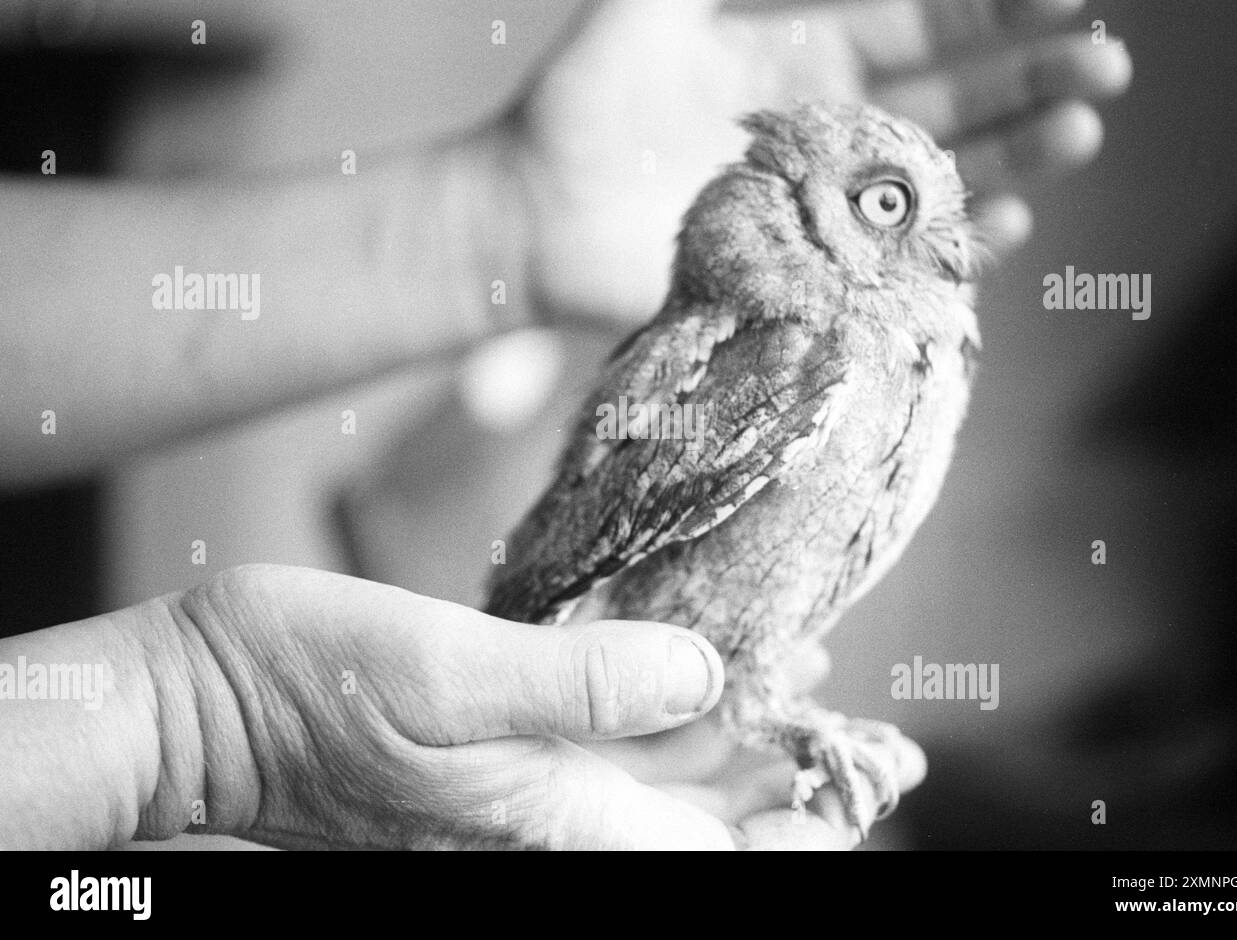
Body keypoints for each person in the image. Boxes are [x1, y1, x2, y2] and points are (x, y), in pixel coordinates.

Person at [0, 0, 1130, 850]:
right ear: (807, 211)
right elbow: (597, 569)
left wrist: (496, 214)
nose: (929, 243)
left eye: (925, 215)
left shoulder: (900, 352)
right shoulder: (787, 354)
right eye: (885, 204)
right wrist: (199, 718)